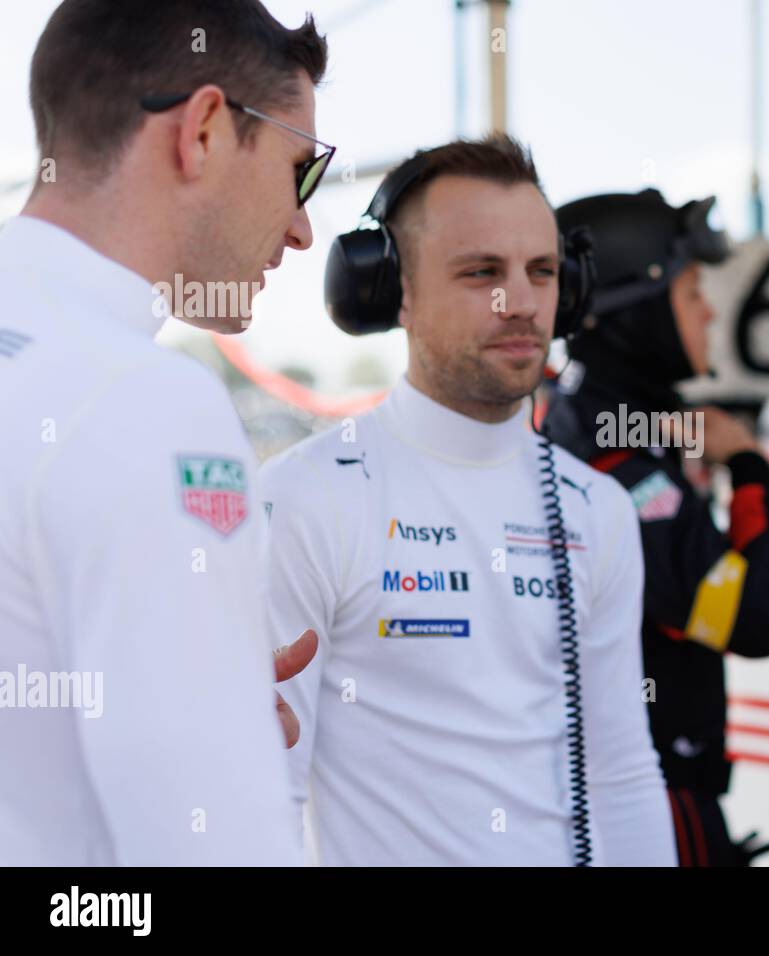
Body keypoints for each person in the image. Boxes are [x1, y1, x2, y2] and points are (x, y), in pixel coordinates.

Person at [261, 136, 675, 866]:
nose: (520, 303)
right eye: (482, 271)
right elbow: (269, 795)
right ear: (394, 291)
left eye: (542, 272)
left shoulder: (599, 509)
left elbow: (622, 773)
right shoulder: (306, 496)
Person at [0, 0, 331, 864]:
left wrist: (178, 667)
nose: (302, 228)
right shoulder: (144, 400)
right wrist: (207, 713)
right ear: (207, 131)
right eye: (300, 171)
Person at [544, 189, 769, 866]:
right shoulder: (615, 461)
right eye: (690, 293)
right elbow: (756, 618)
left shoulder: (598, 424)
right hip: (655, 803)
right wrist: (747, 467)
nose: (711, 310)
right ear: (636, 311)